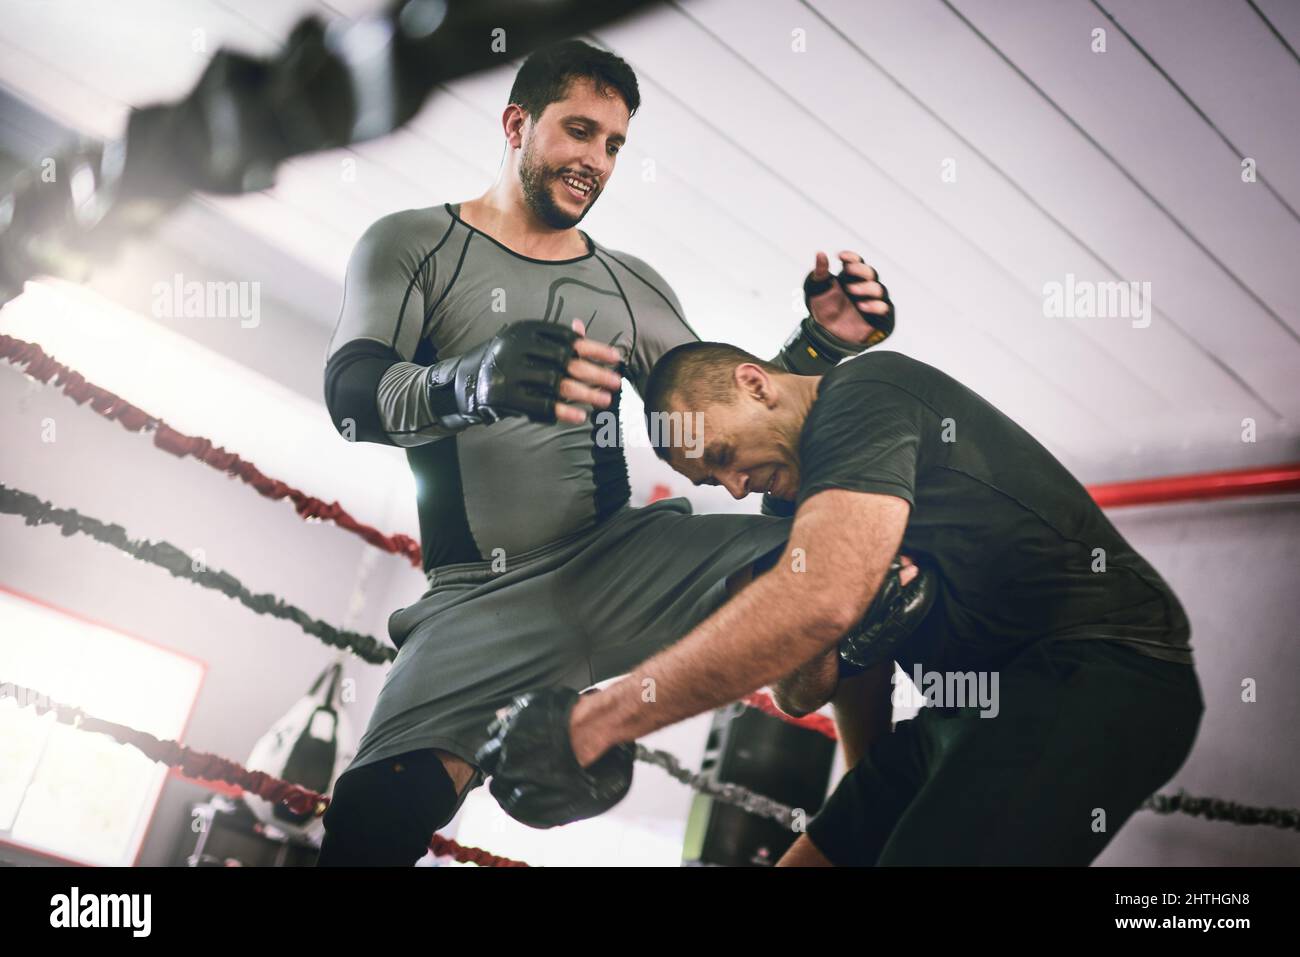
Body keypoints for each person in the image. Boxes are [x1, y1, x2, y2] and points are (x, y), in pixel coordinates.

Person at [315, 39, 896, 865]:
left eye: (614, 145)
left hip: (622, 559)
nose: (596, 160)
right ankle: (803, 668)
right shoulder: (413, 244)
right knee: (373, 815)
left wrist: (816, 349)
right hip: (483, 593)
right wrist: (471, 383)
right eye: (579, 131)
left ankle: (869, 779)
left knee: (838, 555)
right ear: (516, 124)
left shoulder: (627, 284)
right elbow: (349, 399)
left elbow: (713, 421)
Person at [480, 342, 1205, 866]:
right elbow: (800, 686)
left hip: (1108, 673)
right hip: (966, 715)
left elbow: (819, 601)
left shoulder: (865, 395)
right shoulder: (797, 500)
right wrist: (867, 793)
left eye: (725, 456)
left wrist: (594, 719)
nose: (734, 487)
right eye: (713, 480)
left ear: (755, 383)